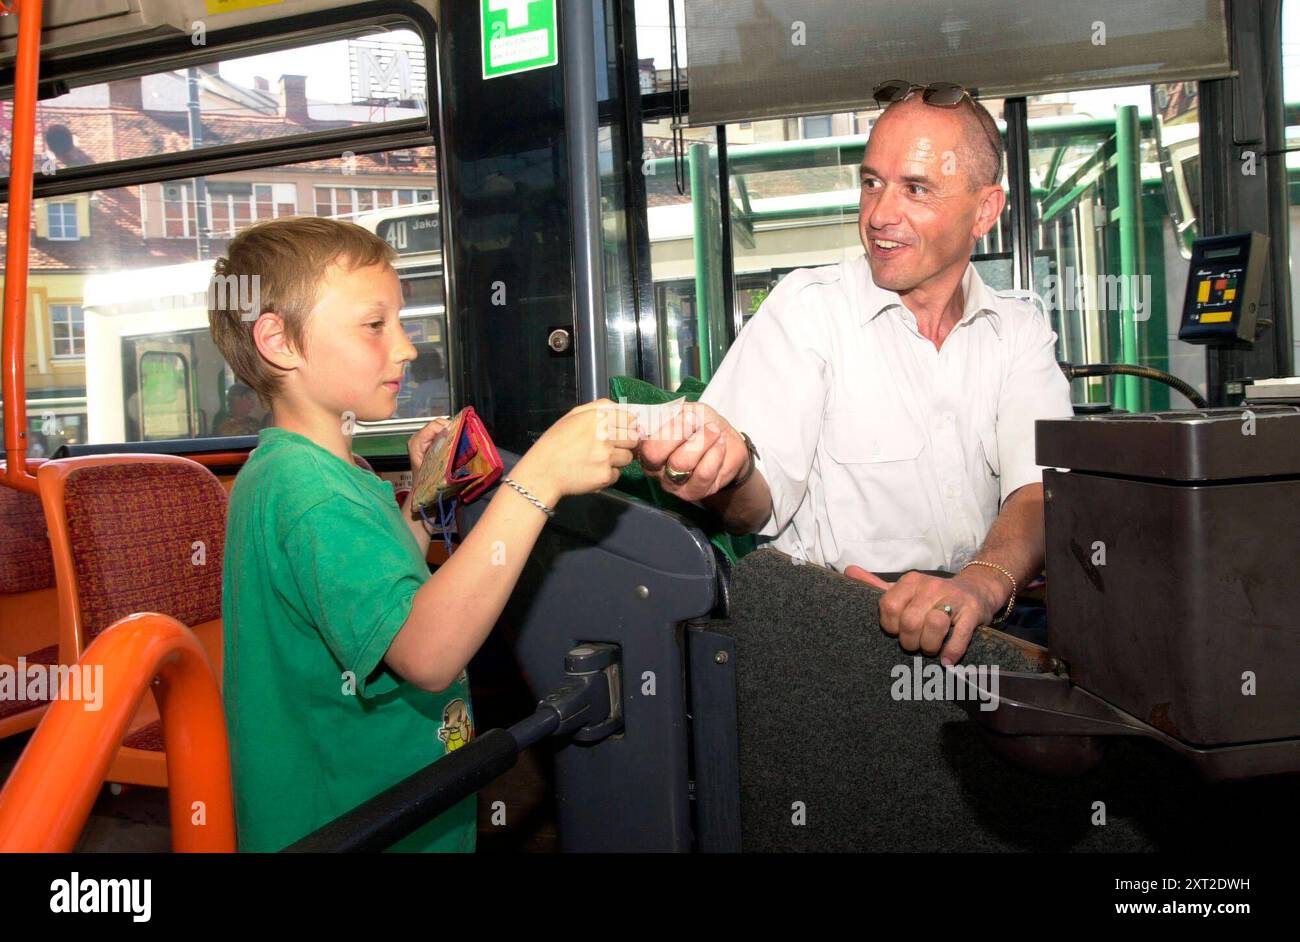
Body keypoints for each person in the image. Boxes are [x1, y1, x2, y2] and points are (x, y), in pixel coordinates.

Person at [208, 217, 640, 851]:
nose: (407, 347)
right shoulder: (310, 495)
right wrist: (539, 479)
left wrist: (418, 503)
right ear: (280, 341)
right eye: (375, 324)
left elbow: (375, 610)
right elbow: (427, 653)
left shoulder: (321, 473)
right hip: (352, 823)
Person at [636, 83, 1073, 667]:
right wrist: (730, 472)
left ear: (985, 211)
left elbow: (1038, 489)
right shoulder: (807, 310)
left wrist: (978, 587)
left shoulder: (1018, 331)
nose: (880, 215)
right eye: (872, 183)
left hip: (979, 617)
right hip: (835, 640)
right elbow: (753, 511)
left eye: (916, 189)